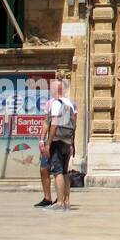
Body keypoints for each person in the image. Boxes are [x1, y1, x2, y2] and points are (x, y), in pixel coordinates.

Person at [44, 79, 78, 211]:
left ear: (55, 90)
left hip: (57, 141)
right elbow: (74, 124)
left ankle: (59, 203)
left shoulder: (55, 103)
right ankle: (67, 201)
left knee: (57, 172)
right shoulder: (70, 103)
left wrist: (48, 143)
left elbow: (54, 125)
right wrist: (72, 143)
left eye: (51, 88)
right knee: (65, 172)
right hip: (68, 141)